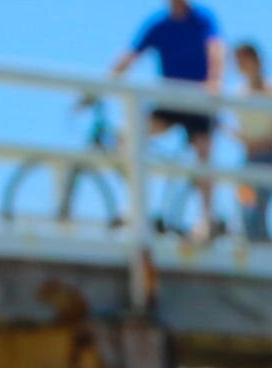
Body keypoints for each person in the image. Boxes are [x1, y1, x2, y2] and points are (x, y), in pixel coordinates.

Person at [113, 0, 221, 237]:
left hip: (198, 100)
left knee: (204, 153)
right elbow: (130, 56)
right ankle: (135, 208)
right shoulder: (159, 24)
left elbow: (215, 49)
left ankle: (207, 218)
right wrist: (105, 82)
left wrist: (214, 81)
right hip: (170, 101)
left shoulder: (202, 19)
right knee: (129, 136)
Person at [229, 39, 272, 246]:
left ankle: (264, 250)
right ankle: (254, 246)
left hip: (267, 157)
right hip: (248, 157)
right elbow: (244, 132)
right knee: (244, 205)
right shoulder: (240, 93)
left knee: (260, 210)